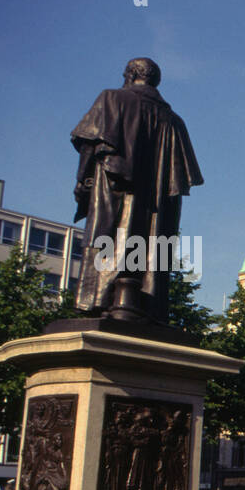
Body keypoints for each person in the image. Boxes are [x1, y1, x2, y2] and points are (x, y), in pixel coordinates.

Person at [71, 57, 202, 322]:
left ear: (130, 75)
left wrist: (83, 180)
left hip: (115, 194)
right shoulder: (175, 122)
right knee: (152, 245)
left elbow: (89, 144)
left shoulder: (112, 99)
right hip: (156, 212)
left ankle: (102, 301)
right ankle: (144, 305)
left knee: (110, 237)